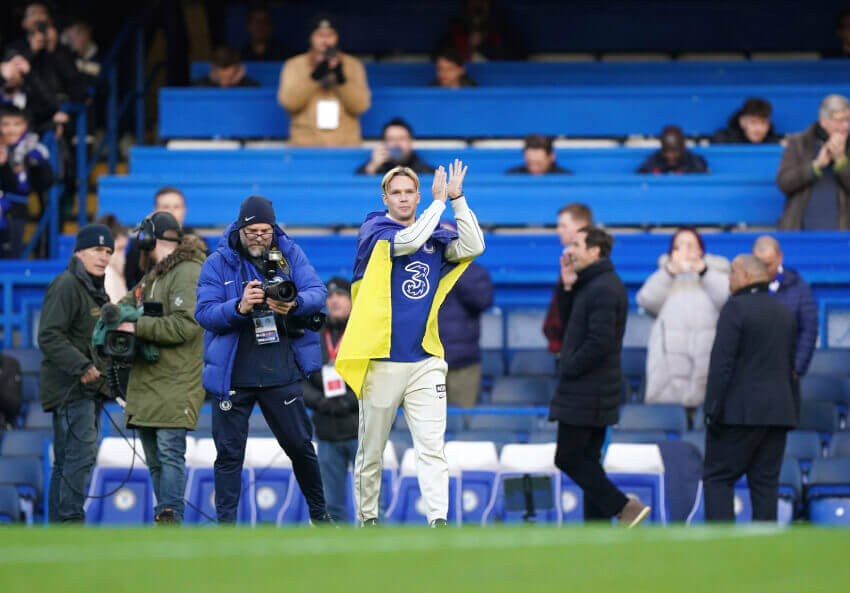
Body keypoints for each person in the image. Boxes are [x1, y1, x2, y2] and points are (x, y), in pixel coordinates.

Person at [335, 160, 485, 527]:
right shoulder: (375, 228)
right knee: (371, 450)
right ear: (384, 198)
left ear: (417, 196)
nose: (403, 198)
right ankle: (368, 519)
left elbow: (474, 245)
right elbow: (408, 241)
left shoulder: (435, 235)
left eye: (409, 192)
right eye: (396, 192)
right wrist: (437, 205)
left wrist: (458, 199)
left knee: (432, 446)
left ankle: (438, 521)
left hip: (424, 359)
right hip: (382, 359)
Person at [195, 195, 331, 524]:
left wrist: (294, 303)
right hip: (234, 374)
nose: (259, 237)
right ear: (240, 228)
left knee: (301, 446)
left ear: (273, 228)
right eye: (252, 231)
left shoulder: (290, 252)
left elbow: (318, 290)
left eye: (265, 231)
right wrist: (238, 307)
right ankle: (226, 527)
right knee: (228, 455)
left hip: (279, 368)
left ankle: (320, 516)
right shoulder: (217, 262)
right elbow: (204, 313)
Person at [550, 225, 651, 527]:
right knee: (589, 462)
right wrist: (567, 287)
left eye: (577, 244)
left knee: (568, 458)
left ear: (595, 251)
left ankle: (624, 507)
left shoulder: (605, 287)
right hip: (590, 390)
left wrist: (568, 366)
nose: (570, 250)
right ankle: (596, 533)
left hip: (588, 391)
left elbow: (600, 341)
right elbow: (571, 326)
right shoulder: (590, 284)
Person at [116, 212, 207, 524]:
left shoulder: (187, 271)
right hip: (150, 383)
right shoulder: (154, 274)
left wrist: (135, 325)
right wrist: (114, 317)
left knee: (169, 455)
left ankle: (170, 515)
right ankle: (164, 516)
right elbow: (125, 306)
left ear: (148, 238)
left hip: (176, 382)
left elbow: (186, 326)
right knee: (155, 459)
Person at [703, 255, 798, 522]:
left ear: (746, 276)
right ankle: (764, 554)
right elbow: (790, 368)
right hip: (779, 414)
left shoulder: (735, 309)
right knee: (766, 485)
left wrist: (712, 410)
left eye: (732, 273)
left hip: (738, 414)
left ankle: (722, 550)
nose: (729, 280)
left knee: (718, 479)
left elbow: (722, 365)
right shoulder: (785, 313)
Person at [37, 224, 114, 522]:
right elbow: (49, 336)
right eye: (96, 250)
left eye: (108, 251)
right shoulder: (67, 284)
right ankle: (70, 522)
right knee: (78, 458)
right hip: (71, 389)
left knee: (68, 461)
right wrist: (82, 367)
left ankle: (60, 526)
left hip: (87, 391)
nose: (103, 257)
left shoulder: (94, 289)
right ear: (79, 251)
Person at [636, 227, 730, 412]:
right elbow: (646, 300)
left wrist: (704, 272)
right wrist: (669, 272)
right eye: (679, 246)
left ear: (701, 250)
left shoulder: (717, 273)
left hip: (706, 364)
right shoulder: (664, 275)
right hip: (668, 367)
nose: (685, 251)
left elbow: (728, 300)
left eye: (690, 245)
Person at [302, 276, 359, 523]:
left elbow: (375, 375)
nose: (334, 300)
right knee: (331, 508)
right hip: (325, 431)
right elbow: (300, 376)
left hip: (362, 430)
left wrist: (350, 400)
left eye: (340, 295)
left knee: (371, 504)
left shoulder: (364, 332)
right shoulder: (314, 334)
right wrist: (320, 401)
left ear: (351, 300)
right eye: (330, 296)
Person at [277, 15, 370, 147]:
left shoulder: (352, 65)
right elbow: (289, 103)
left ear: (337, 37)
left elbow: (360, 106)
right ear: (311, 37)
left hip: (345, 144)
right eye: (320, 35)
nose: (325, 40)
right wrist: (315, 77)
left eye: (330, 35)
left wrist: (341, 78)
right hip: (305, 145)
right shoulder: (294, 65)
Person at [438, 221, 494, 408]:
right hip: (426, 364)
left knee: (464, 422)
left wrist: (457, 267)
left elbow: (482, 301)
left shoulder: (474, 272)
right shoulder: (421, 271)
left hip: (463, 365)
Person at [776, 94, 850, 230]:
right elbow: (784, 183)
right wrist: (815, 166)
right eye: (839, 120)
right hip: (801, 230)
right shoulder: (799, 143)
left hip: (844, 236)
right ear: (823, 121)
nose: (845, 126)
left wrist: (841, 161)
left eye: (848, 120)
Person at [752, 236, 818, 379]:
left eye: (768, 264)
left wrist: (796, 368)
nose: (764, 270)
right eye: (759, 264)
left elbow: (809, 330)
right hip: (751, 377)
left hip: (786, 375)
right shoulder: (743, 287)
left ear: (780, 258)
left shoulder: (799, 288)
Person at [0, 105, 53, 258]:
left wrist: (38, 165)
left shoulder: (33, 149)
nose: (11, 130)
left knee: (11, 259)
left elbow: (44, 184)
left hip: (16, 214)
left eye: (16, 124)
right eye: (5, 124)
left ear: (25, 126)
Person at [124, 186, 203, 289]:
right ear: (155, 210)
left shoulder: (198, 243)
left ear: (184, 210)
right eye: (166, 207)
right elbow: (129, 280)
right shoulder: (141, 243)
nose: (171, 212)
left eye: (176, 207)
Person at [542, 203, 592, 355]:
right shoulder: (569, 260)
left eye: (563, 226)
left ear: (581, 226)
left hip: (578, 354)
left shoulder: (587, 266)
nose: (558, 231)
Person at [436, 0, 527, 62]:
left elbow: (518, 58)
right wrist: (470, 46)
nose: (477, 4)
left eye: (482, 1)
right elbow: (439, 58)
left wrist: (483, 47)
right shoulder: (455, 30)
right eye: (474, 1)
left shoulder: (503, 29)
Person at [356, 118, 435, 176]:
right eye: (391, 139)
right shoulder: (376, 168)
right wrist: (372, 167)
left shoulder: (424, 170)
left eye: (401, 138)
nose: (396, 144)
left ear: (410, 141)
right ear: (384, 143)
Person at [636, 125, 708, 174]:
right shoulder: (653, 161)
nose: (670, 156)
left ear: (682, 149)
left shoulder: (695, 163)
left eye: (674, 152)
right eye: (666, 151)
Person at [711, 98, 781, 145]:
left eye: (763, 122)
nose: (759, 128)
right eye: (753, 122)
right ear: (742, 122)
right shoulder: (723, 141)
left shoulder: (774, 144)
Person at [95, 213, 129, 303]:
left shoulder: (114, 273)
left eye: (124, 249)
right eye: (119, 249)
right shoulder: (108, 274)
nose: (123, 255)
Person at [192, 46, 259, 88]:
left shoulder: (251, 88)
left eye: (230, 79)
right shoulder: (199, 88)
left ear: (241, 71)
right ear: (212, 70)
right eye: (220, 79)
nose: (224, 85)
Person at [506, 134, 572, 175]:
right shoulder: (513, 177)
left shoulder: (566, 179)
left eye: (539, 164)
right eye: (530, 163)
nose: (534, 168)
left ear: (551, 157)